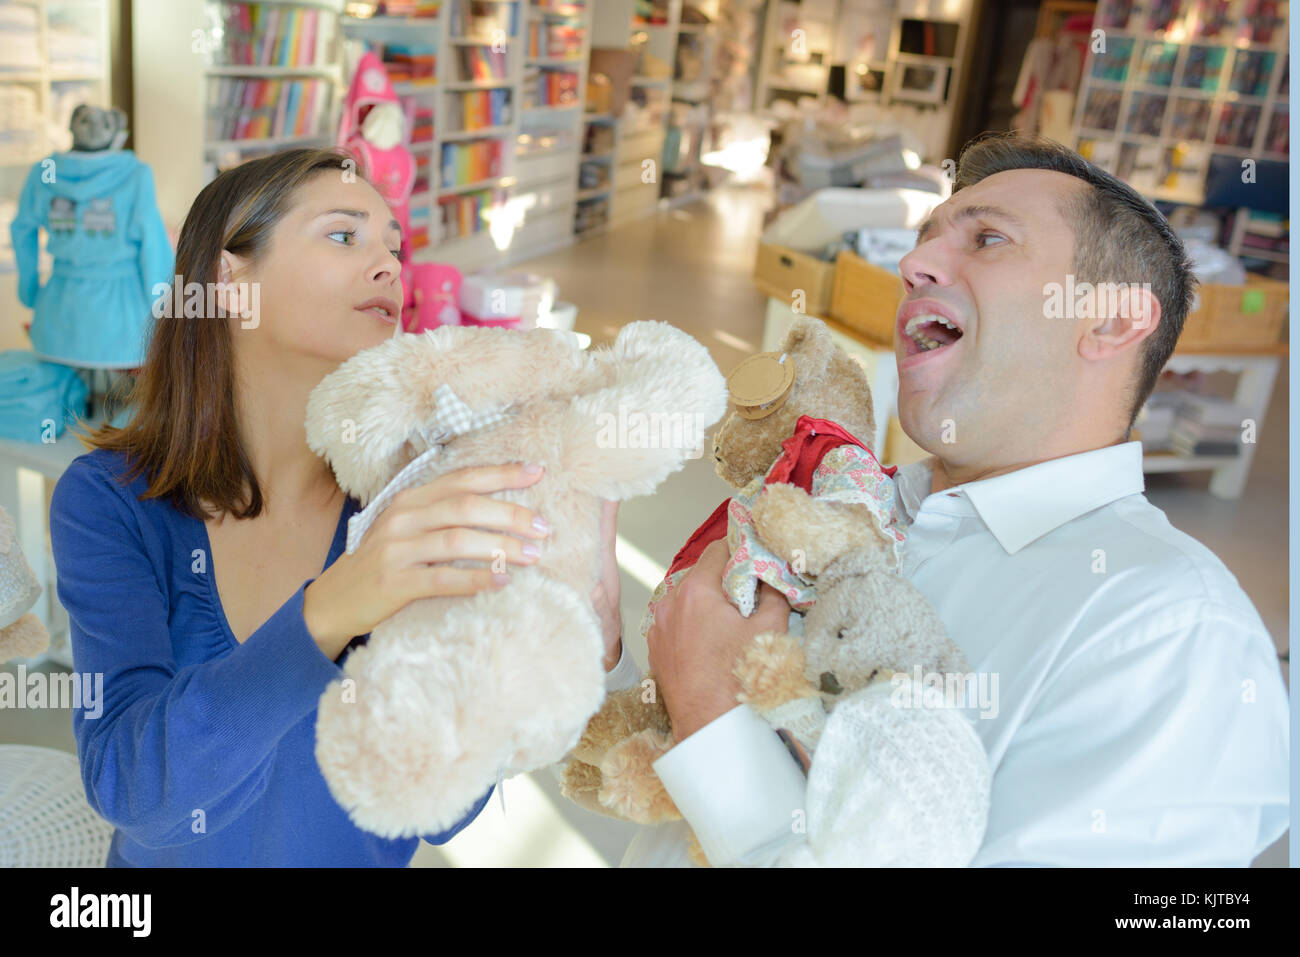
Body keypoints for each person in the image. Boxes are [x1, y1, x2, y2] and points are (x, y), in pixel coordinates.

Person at [612, 131, 1290, 867]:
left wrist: (714, 721)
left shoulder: (1173, 638)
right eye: (924, 237)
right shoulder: (847, 505)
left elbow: (706, 698)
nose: (911, 264)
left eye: (989, 239)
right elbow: (666, 705)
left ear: (1113, 317)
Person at [48, 147, 625, 866]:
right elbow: (133, 787)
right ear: (230, 281)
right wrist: (335, 607)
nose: (389, 266)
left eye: (394, 246)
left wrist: (565, 629)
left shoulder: (418, 493)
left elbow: (441, 809)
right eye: (344, 235)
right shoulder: (108, 501)